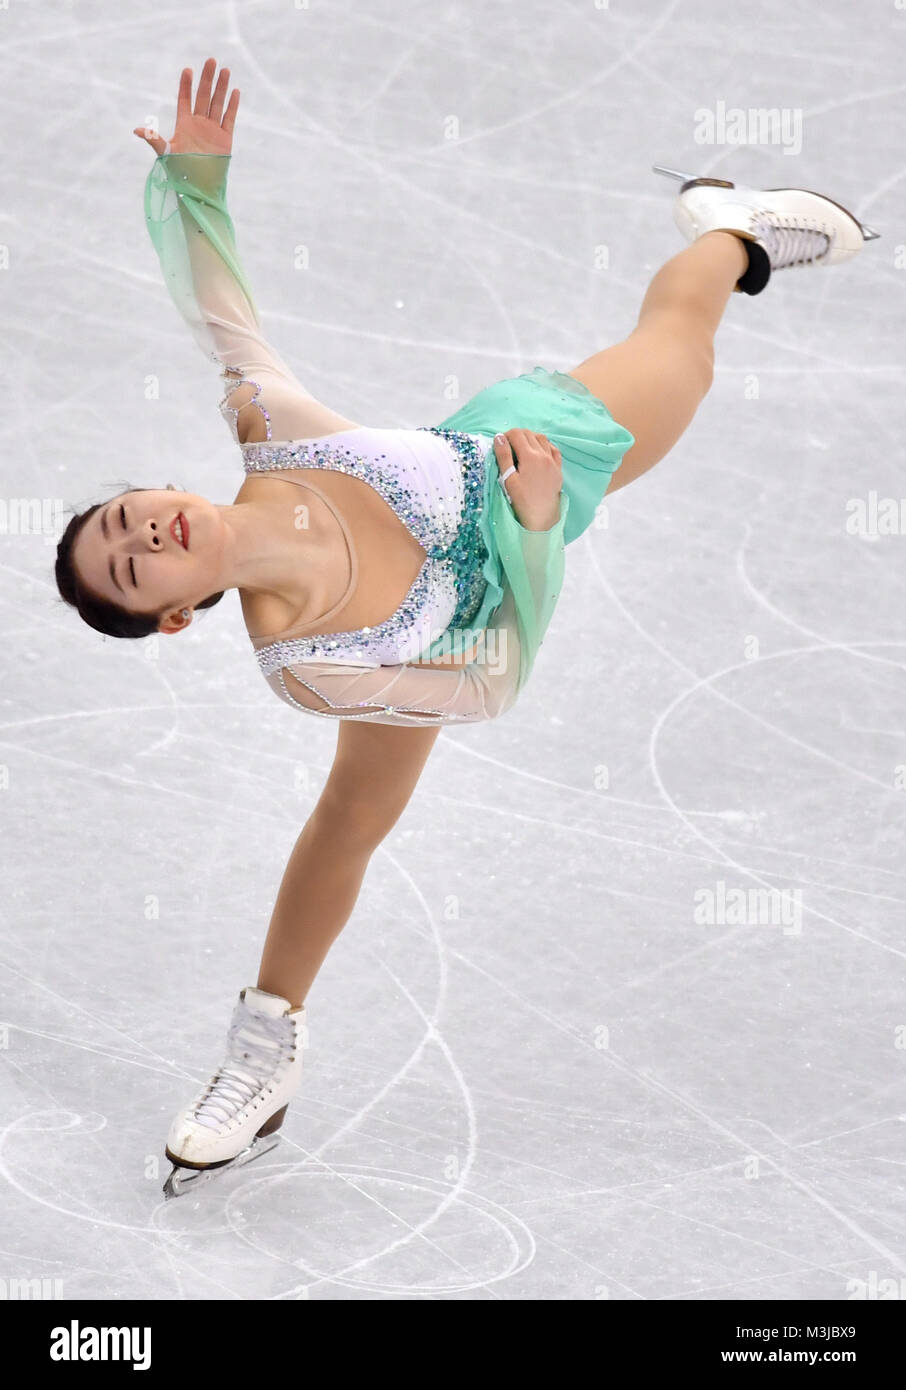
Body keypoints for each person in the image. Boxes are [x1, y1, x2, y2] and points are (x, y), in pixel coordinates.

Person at [53, 59, 878, 1194]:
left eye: (128, 516)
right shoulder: (306, 665)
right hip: (458, 618)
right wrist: (533, 533)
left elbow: (221, 312)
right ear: (176, 615)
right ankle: (264, 1046)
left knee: (686, 335)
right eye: (130, 567)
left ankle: (732, 233)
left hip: (529, 438)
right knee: (349, 816)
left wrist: (198, 185)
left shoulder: (271, 431)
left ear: (162, 491)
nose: (143, 534)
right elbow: (490, 681)